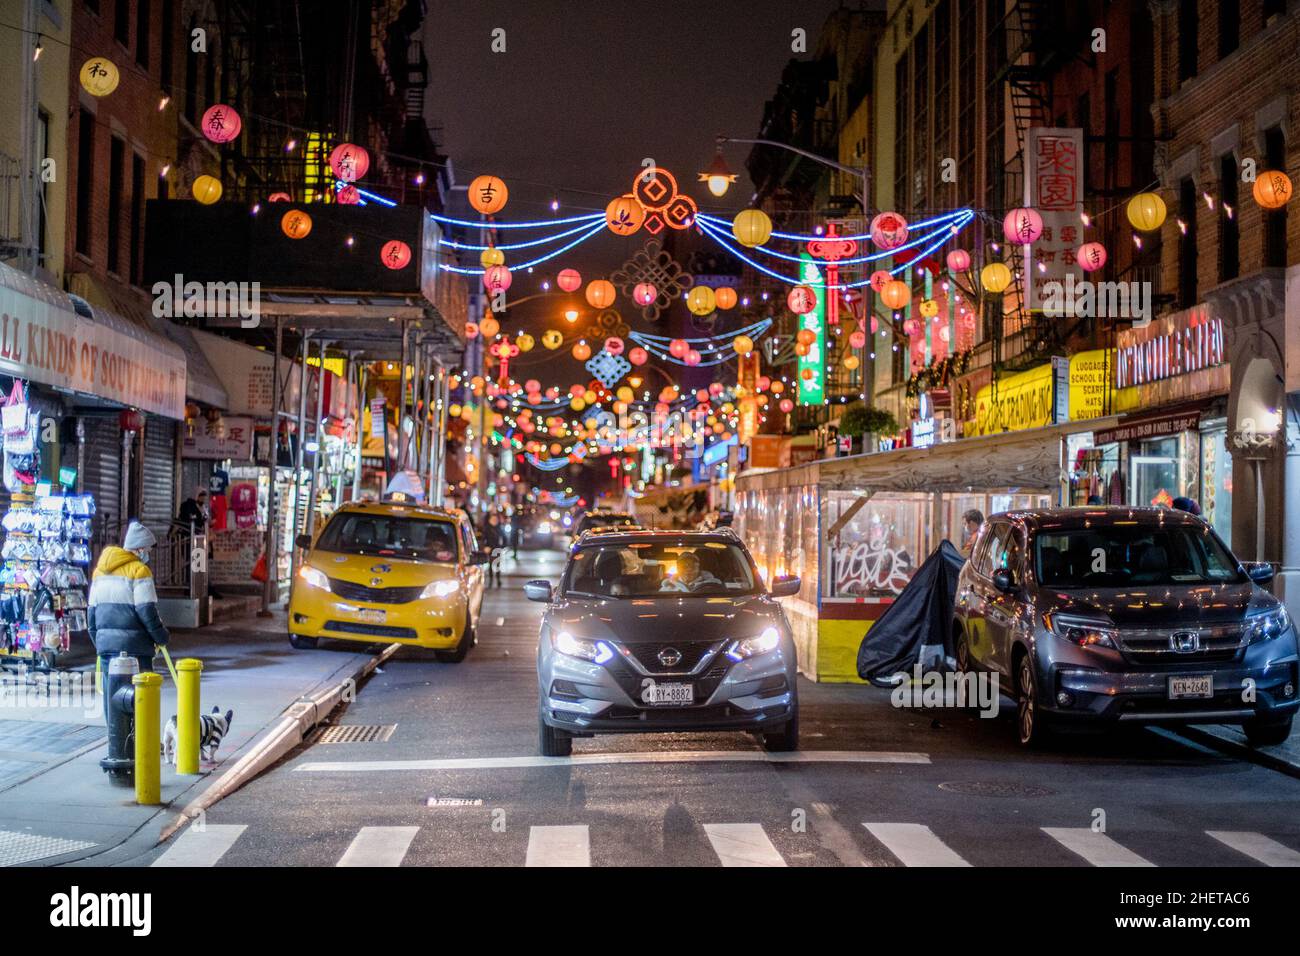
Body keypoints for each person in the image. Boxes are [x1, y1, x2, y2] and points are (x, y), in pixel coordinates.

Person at [88, 521, 169, 720]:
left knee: (112, 698)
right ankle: (143, 746)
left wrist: (100, 642)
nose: (148, 554)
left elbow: (91, 615)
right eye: (148, 549)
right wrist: (161, 636)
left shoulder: (99, 572)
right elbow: (147, 611)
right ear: (140, 548)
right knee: (142, 697)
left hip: (107, 649)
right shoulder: (139, 571)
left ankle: (117, 747)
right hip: (136, 649)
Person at [483, 513, 505, 587]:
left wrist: (502, 546)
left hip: (497, 548)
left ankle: (498, 580)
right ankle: (491, 580)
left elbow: (504, 538)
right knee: (490, 565)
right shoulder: (487, 528)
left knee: (497, 565)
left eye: (496, 519)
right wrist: (485, 546)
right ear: (490, 520)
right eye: (493, 519)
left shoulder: (499, 528)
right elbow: (483, 539)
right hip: (490, 549)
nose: (494, 521)